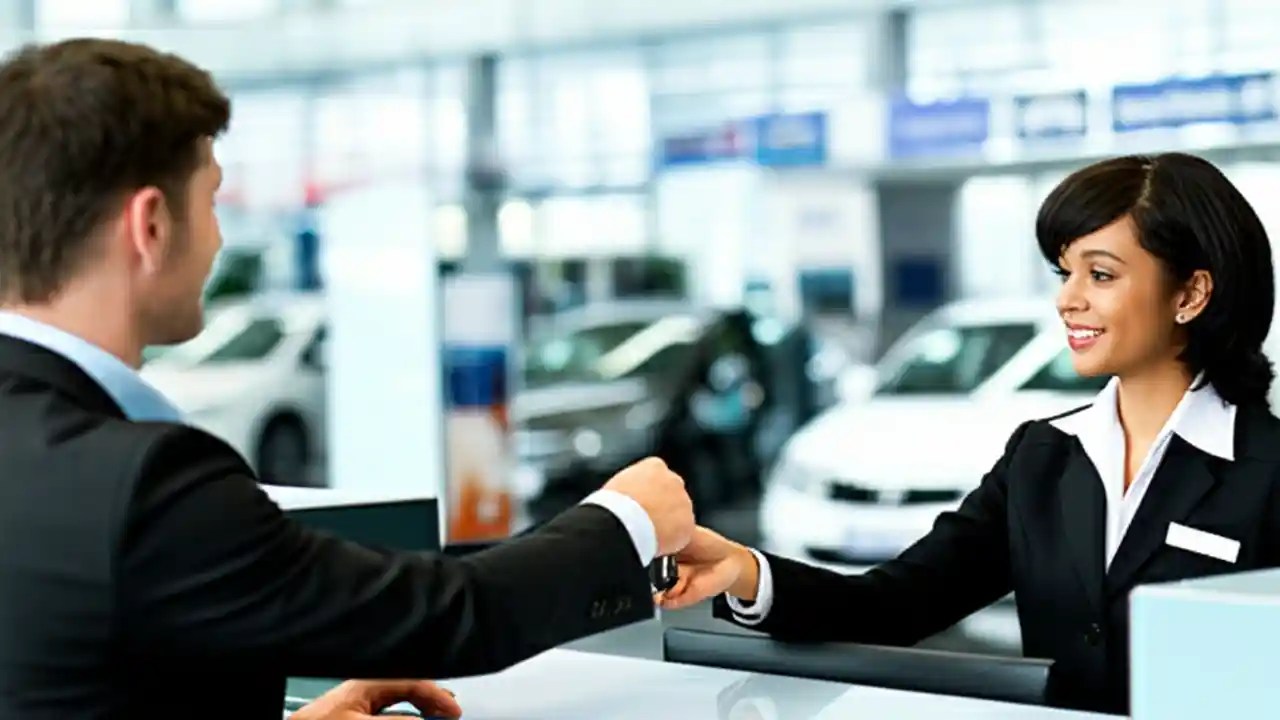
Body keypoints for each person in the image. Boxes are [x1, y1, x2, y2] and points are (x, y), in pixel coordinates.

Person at [0, 39, 695, 719]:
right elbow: (455, 612)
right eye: (212, 201)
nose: (218, 239)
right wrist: (627, 519)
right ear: (150, 224)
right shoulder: (144, 484)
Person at [656, 152, 1280, 715]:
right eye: (1065, 272)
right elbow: (897, 603)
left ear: (1191, 294)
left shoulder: (1268, 467)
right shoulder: (1043, 457)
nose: (1069, 299)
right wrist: (743, 570)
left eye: (1102, 275)